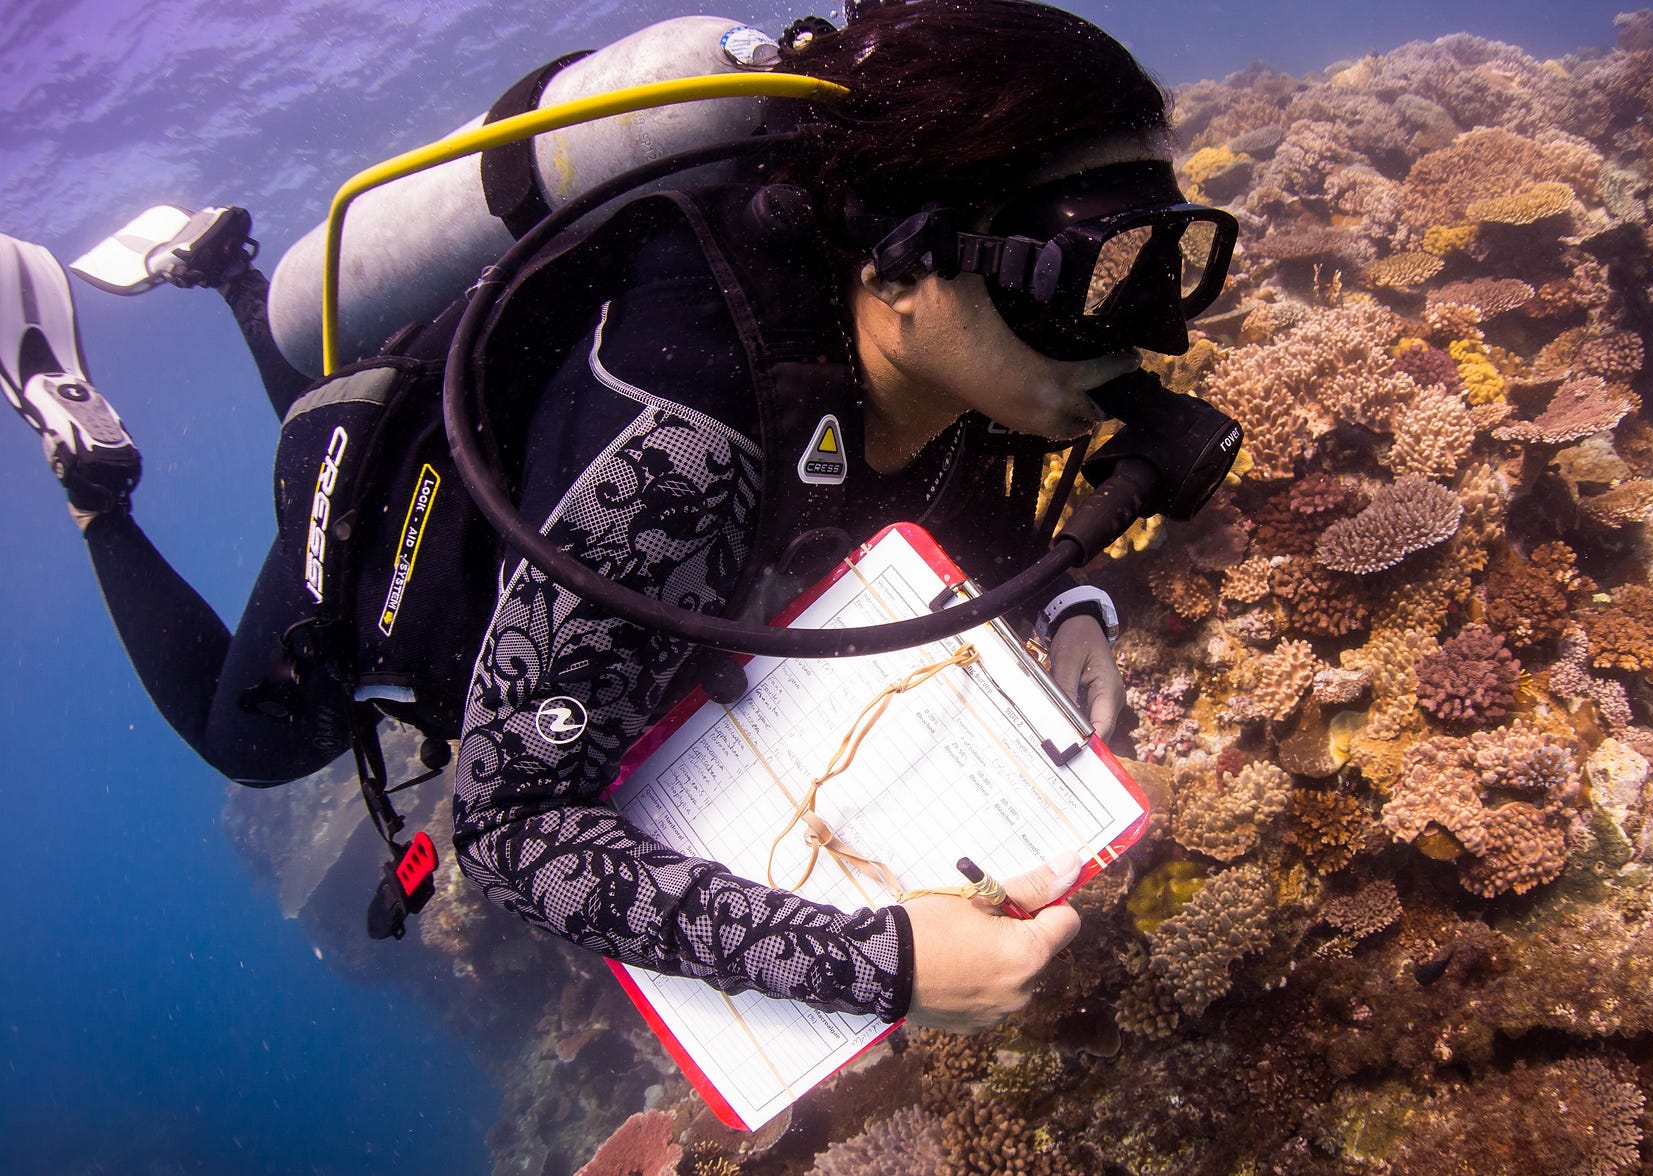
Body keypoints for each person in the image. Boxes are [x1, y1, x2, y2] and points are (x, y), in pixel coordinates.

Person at [4, 0, 1235, 1033]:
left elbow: (946, 486)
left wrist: (1067, 599)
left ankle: (233, 277)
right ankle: (89, 474)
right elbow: (511, 831)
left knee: (344, 386)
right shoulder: (681, 455)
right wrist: (886, 966)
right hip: (462, 512)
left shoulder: (935, 351)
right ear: (903, 267)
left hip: (530, 430)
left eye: (1168, 266)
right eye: (1084, 276)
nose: (1147, 335)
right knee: (264, 739)